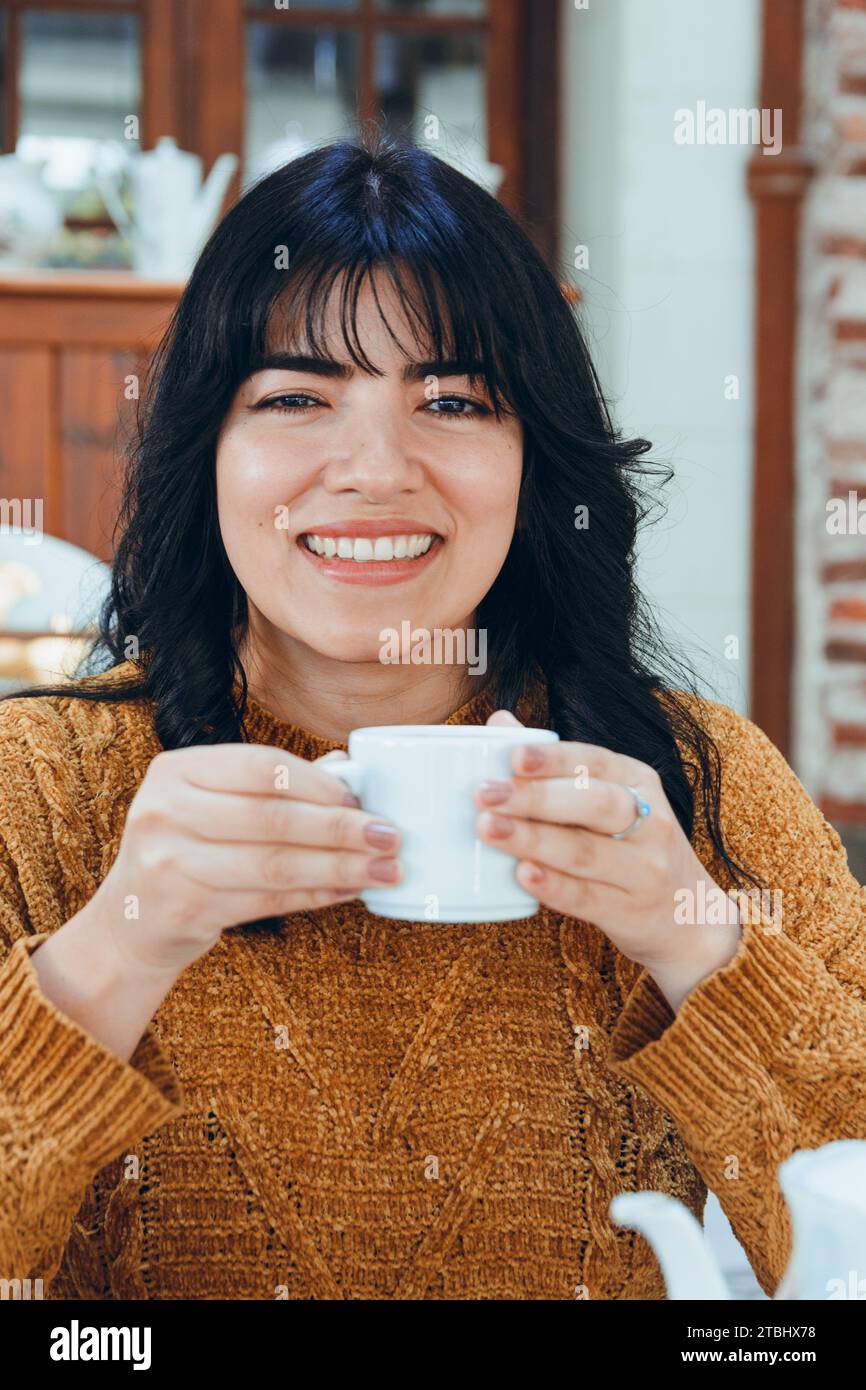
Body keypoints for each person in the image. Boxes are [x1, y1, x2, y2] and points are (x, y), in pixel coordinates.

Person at [1, 133, 863, 1301]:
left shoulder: (689, 786)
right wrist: (112, 954)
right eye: (295, 397)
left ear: (532, 460)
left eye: (451, 400)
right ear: (205, 451)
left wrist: (699, 947)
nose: (374, 468)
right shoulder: (33, 790)